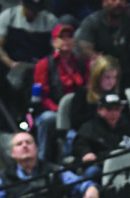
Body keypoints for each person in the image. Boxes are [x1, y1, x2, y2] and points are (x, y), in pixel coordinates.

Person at [32, 24, 89, 160]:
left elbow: (87, 88)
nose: (66, 40)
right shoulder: (45, 64)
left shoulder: (81, 63)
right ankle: (42, 159)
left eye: (69, 37)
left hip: (76, 110)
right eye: (61, 37)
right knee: (48, 120)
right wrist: (60, 111)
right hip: (52, 110)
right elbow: (43, 96)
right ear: (54, 42)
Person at [71, 92, 130, 167]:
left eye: (117, 109)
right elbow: (80, 145)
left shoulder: (126, 126)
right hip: (99, 166)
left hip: (125, 165)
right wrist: (86, 153)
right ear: (99, 110)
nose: (113, 113)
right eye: (109, 109)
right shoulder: (90, 127)